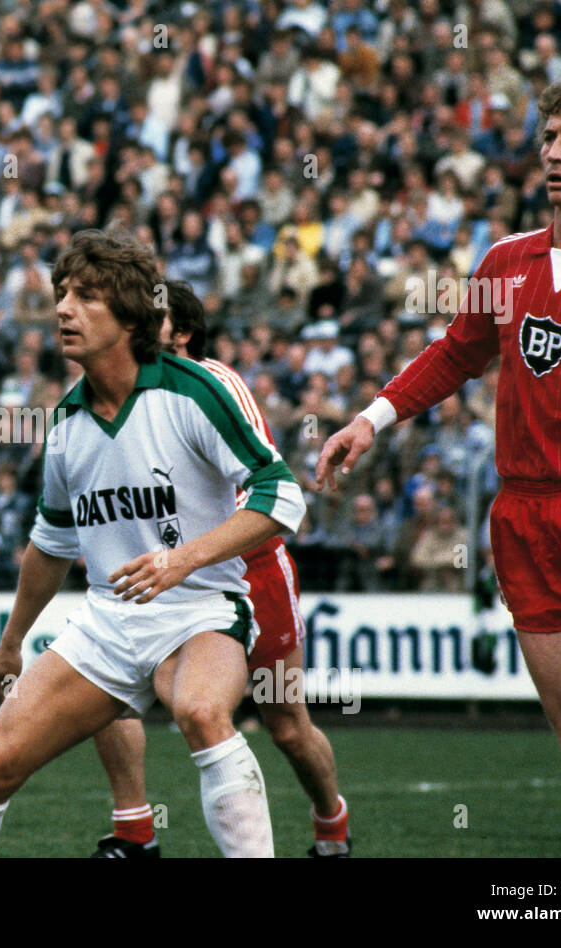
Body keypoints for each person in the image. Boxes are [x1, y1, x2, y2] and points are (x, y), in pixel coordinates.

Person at [317, 81, 561, 858]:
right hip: (524, 515)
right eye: (548, 136)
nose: (553, 151)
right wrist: (370, 420)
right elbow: (454, 353)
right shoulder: (506, 262)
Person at [0, 228, 306, 858]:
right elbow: (50, 546)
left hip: (202, 612)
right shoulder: (68, 426)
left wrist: (180, 560)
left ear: (131, 315)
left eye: (85, 296)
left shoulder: (194, 389)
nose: (63, 308)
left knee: (202, 712)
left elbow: (282, 494)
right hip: (106, 624)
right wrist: (11, 643)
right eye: (61, 293)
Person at [90, 281, 350, 858]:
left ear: (180, 333)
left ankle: (332, 821)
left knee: (285, 724)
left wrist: (184, 546)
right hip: (168, 575)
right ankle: (134, 827)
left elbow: (260, 486)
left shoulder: (216, 381)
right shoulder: (119, 390)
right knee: (109, 685)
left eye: (149, 318)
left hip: (250, 569)